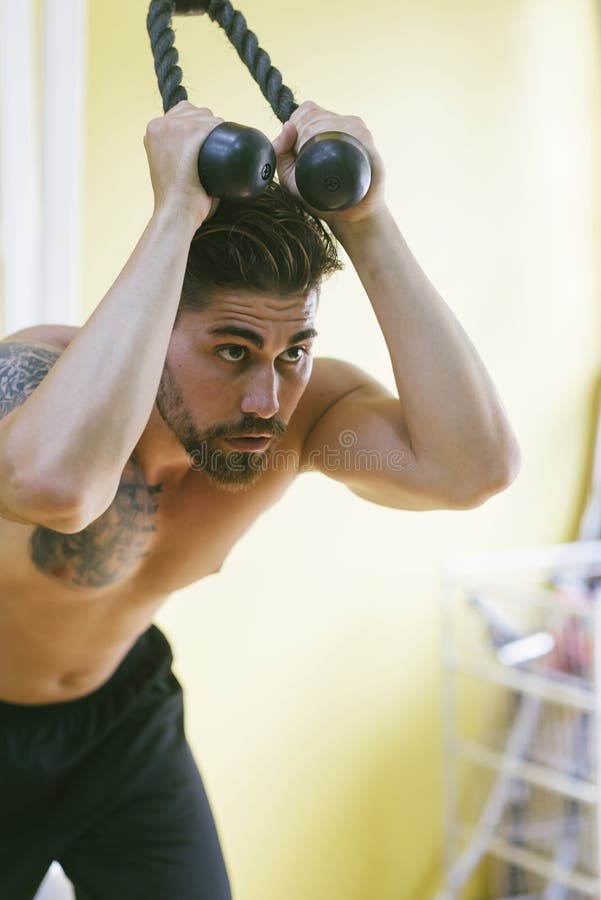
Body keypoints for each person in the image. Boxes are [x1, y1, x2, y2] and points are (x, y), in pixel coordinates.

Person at [0, 100, 520, 899]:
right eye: (232, 350)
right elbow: (55, 492)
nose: (264, 399)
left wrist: (369, 221)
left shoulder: (302, 423)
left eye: (294, 351)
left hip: (122, 725)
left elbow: (470, 468)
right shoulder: (42, 382)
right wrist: (175, 208)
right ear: (149, 330)